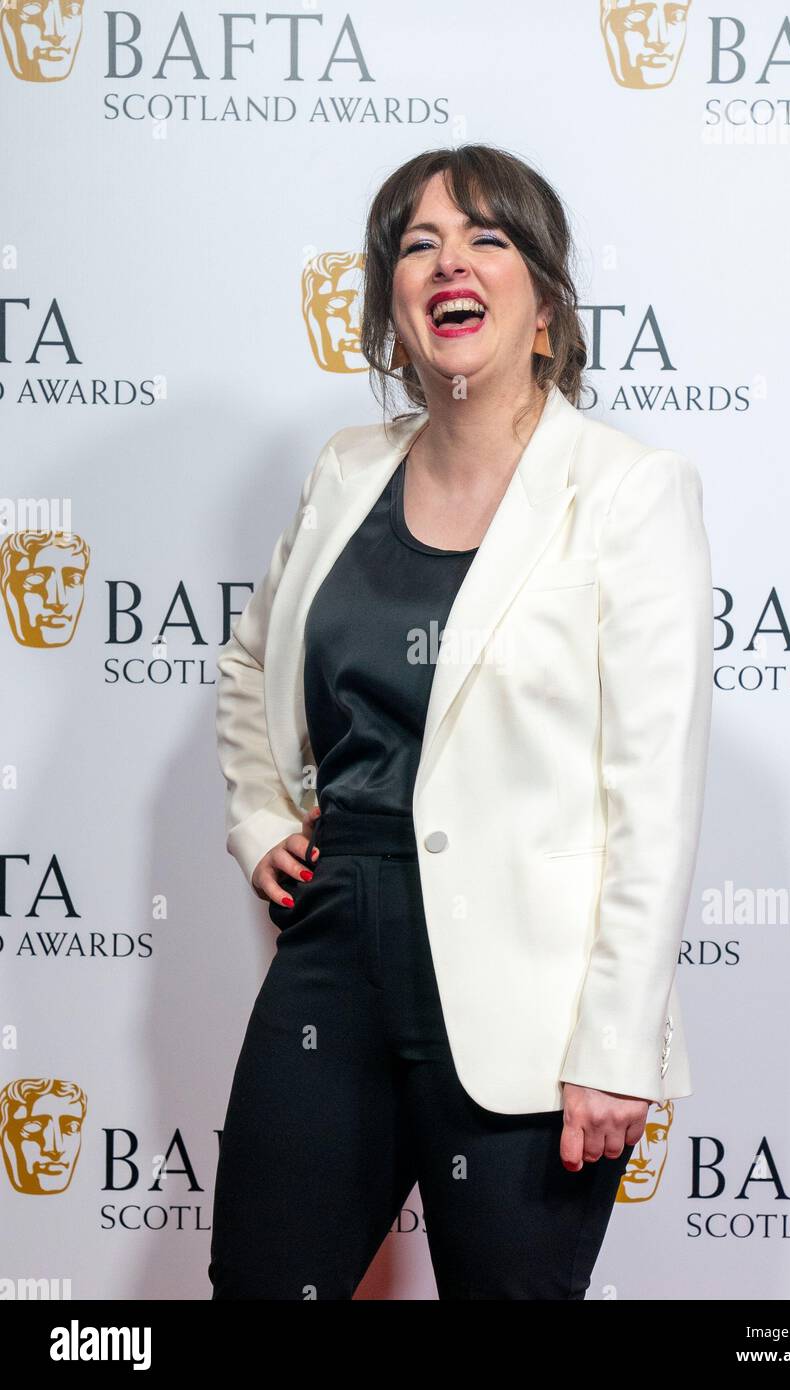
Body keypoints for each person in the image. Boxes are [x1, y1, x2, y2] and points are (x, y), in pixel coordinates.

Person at [208, 144, 713, 1300]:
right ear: (392, 303)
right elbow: (252, 664)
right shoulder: (345, 472)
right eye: (419, 243)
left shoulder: (630, 492)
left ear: (544, 303)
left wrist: (614, 1045)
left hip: (532, 1008)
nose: (451, 261)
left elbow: (654, 795)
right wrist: (256, 812)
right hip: (333, 947)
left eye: (487, 238)